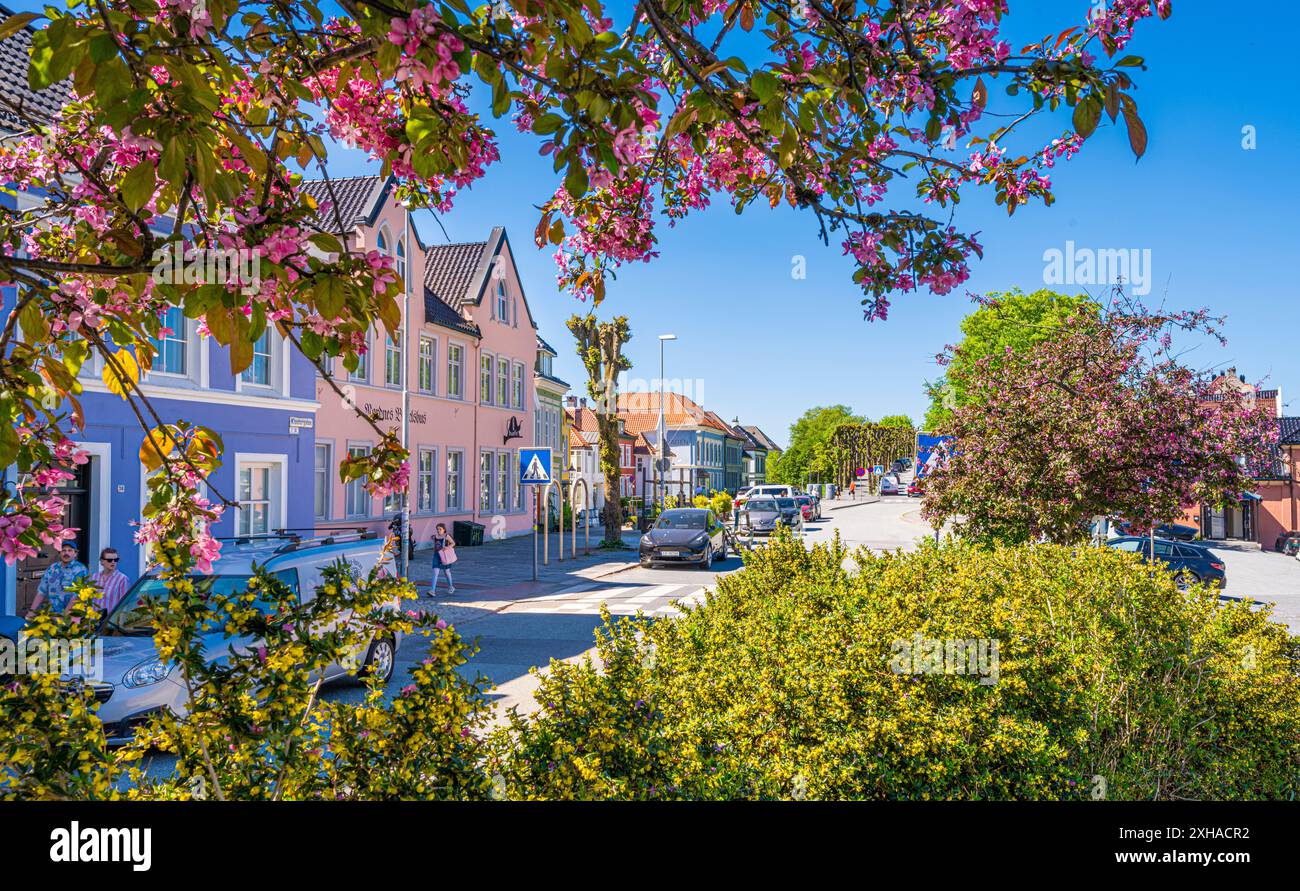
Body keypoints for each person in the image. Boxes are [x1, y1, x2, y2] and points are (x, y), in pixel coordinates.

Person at [28, 542, 89, 616]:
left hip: (72, 615)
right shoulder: (52, 568)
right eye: (63, 550)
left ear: (75, 554)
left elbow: (78, 594)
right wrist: (32, 611)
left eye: (70, 550)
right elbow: (42, 591)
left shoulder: (80, 569)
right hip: (53, 614)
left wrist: (65, 615)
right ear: (60, 553)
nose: (66, 553)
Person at [89, 547, 130, 617]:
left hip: (110, 622)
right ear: (102, 561)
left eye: (116, 560)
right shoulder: (94, 577)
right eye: (109, 560)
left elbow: (124, 605)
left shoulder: (122, 579)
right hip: (94, 621)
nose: (113, 562)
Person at [429, 523, 456, 596]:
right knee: (435, 573)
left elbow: (453, 543)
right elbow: (435, 545)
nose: (438, 530)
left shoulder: (446, 536)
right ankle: (432, 590)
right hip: (437, 556)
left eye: (440, 529)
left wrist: (447, 547)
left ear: (444, 530)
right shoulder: (435, 537)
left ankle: (451, 587)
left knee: (447, 572)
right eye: (437, 529)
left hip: (445, 556)